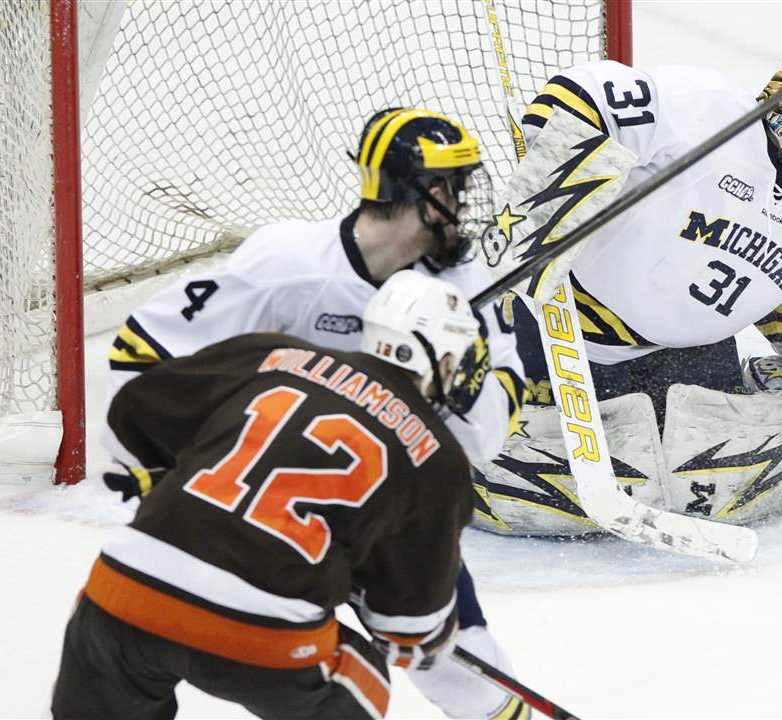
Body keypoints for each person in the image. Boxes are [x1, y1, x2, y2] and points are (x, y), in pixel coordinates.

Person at [102, 110, 529, 718]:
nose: (465, 203)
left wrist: (463, 384)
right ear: (423, 194)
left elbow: (477, 442)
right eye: (454, 186)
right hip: (266, 507)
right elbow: (148, 349)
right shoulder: (291, 262)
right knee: (162, 626)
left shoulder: (463, 287)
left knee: (459, 659)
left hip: (380, 509)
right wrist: (156, 463)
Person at [473, 40, 782, 536]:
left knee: (716, 482)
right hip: (563, 330)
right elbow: (586, 92)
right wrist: (556, 181)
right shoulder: (709, 111)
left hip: (694, 357)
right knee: (518, 469)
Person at [53, 271, 523, 719]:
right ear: (443, 361)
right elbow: (408, 632)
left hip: (125, 588)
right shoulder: (435, 455)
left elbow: (133, 413)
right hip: (258, 634)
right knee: (363, 684)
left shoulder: (269, 353)